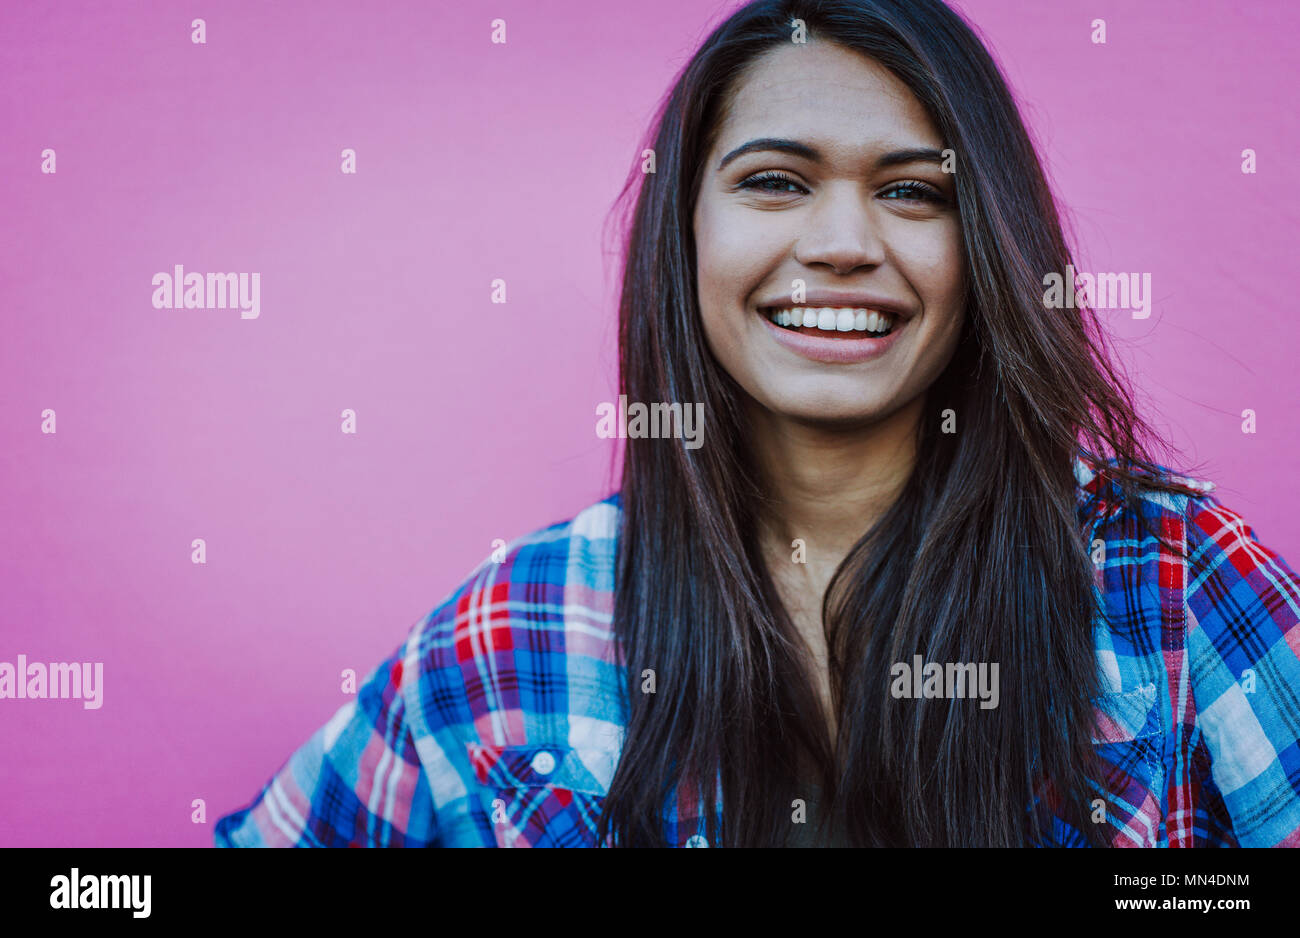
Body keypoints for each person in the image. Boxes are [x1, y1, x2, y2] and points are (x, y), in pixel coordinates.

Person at [215, 0, 1300, 848]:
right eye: (775, 181)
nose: (840, 241)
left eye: (914, 193)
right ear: (683, 232)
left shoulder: (1173, 582)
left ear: (988, 247)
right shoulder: (518, 631)